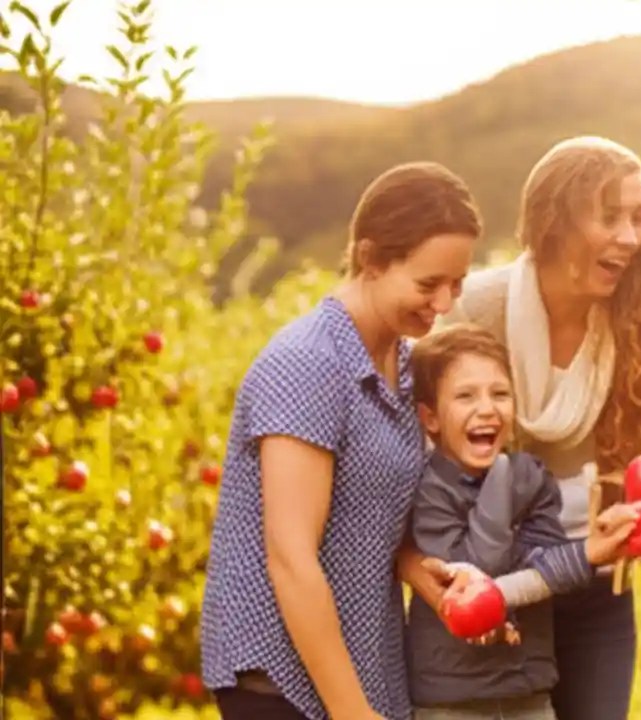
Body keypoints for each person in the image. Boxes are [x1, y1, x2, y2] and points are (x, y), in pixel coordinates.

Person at [400, 135, 641, 720]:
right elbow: (415, 450)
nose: (630, 238)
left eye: (638, 218)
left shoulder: (634, 318)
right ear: (554, 221)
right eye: (609, 216)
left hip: (595, 579)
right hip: (493, 581)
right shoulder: (477, 310)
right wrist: (418, 567)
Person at [200, 161, 482, 720]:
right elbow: (291, 557)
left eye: (458, 284)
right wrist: (353, 712)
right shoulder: (309, 363)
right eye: (428, 284)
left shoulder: (401, 363)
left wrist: (411, 563)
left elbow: (365, 509)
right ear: (370, 259)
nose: (446, 303)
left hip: (357, 662)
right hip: (279, 682)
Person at [403, 323, 639, 719]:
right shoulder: (429, 489)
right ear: (430, 418)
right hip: (450, 699)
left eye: (500, 394)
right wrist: (499, 477)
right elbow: (478, 572)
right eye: (465, 396)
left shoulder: (531, 476)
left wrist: (592, 545)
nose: (487, 408)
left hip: (528, 692)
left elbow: (547, 570)